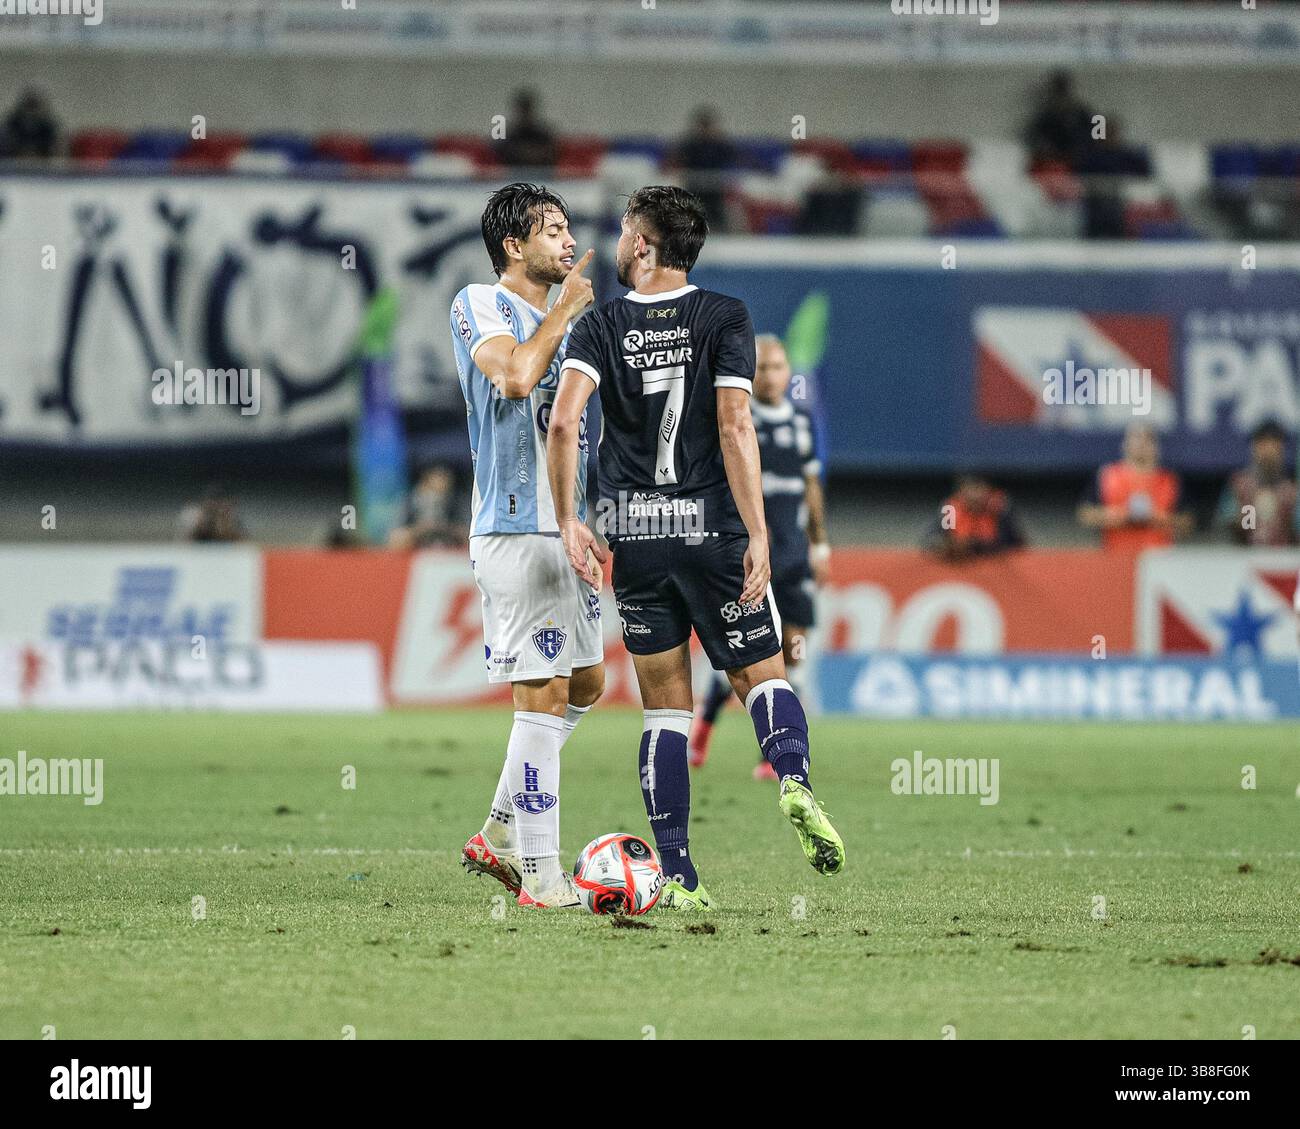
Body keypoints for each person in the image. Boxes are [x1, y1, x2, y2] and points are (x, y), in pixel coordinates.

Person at [546, 185, 845, 912]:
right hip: (712, 528)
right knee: (762, 678)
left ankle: (679, 876)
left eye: (622, 230)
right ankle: (795, 780)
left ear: (642, 246)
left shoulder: (600, 323)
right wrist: (763, 532)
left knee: (665, 711)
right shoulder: (725, 315)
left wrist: (569, 520)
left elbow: (562, 424)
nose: (616, 241)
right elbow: (737, 424)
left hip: (637, 538)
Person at [450, 182, 602, 909]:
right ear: (514, 245)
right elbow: (514, 379)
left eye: (570, 230)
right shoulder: (481, 302)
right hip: (514, 528)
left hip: (566, 527)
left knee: (589, 683)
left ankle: (499, 829)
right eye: (552, 231)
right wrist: (565, 311)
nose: (568, 243)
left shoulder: (574, 323)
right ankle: (542, 877)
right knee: (542, 695)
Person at [689, 334, 830, 780]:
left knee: (795, 647)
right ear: (750, 374)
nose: (770, 375)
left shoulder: (803, 423)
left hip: (792, 552)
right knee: (744, 651)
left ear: (789, 372)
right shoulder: (737, 420)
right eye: (762, 367)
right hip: (747, 551)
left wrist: (820, 543)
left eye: (777, 366)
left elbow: (811, 487)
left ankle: (774, 754)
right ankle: (705, 724)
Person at [1077, 423, 1193, 549]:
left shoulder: (1171, 480)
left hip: (1158, 557)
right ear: (1125, 444)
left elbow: (1187, 522)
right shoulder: (1106, 475)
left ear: (1156, 446)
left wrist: (1157, 518)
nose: (1142, 444)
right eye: (1136, 438)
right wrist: (1117, 516)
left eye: (1148, 439)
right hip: (1115, 554)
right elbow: (1085, 514)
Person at [1216, 420, 1298, 547]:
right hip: (1244, 558)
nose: (1269, 451)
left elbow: (1296, 529)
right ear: (1254, 447)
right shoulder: (1240, 485)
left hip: (1283, 559)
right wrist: (1242, 518)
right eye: (1263, 444)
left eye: (1274, 444)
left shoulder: (1291, 491)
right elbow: (1224, 525)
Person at [923, 473, 1027, 561]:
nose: (974, 495)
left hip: (992, 568)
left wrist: (974, 546)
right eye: (970, 489)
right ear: (960, 491)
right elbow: (932, 538)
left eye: (979, 488)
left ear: (988, 490)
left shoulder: (999, 508)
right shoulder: (950, 510)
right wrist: (946, 546)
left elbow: (1015, 543)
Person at [670, 106, 738, 232]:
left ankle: (720, 232)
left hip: (714, 188)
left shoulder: (720, 144)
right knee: (693, 213)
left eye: (708, 127)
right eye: (703, 127)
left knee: (716, 213)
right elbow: (675, 159)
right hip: (695, 186)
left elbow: (737, 158)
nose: (705, 131)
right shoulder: (690, 144)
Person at [1025, 70, 1095, 170]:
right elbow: (1033, 136)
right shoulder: (1046, 115)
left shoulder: (1079, 111)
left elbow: (1093, 130)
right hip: (1053, 160)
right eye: (1058, 89)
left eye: (1062, 89)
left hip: (1077, 158)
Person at [387, 463, 467, 550]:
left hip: (449, 546)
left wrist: (445, 527)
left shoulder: (457, 500)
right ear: (426, 479)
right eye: (439, 476)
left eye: (446, 477)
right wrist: (422, 528)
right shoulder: (411, 500)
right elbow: (394, 535)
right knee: (400, 537)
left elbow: (468, 531)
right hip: (417, 546)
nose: (443, 481)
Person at [494, 88, 558, 170]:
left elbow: (552, 155)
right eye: (522, 110)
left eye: (527, 110)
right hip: (511, 177)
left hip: (541, 176)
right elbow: (497, 154)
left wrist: (533, 154)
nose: (525, 114)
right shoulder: (507, 134)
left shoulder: (543, 133)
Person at [176, 482, 246, 542]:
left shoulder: (231, 518)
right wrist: (201, 525)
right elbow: (184, 544)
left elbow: (243, 543)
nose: (219, 510)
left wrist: (227, 529)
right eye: (215, 504)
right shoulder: (196, 516)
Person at [0, 88, 59, 160]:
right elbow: (7, 141)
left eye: (34, 105)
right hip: (15, 158)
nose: (31, 109)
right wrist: (20, 151)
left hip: (41, 160)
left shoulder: (47, 125)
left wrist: (36, 152)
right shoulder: (13, 122)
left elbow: (52, 144)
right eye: (29, 104)